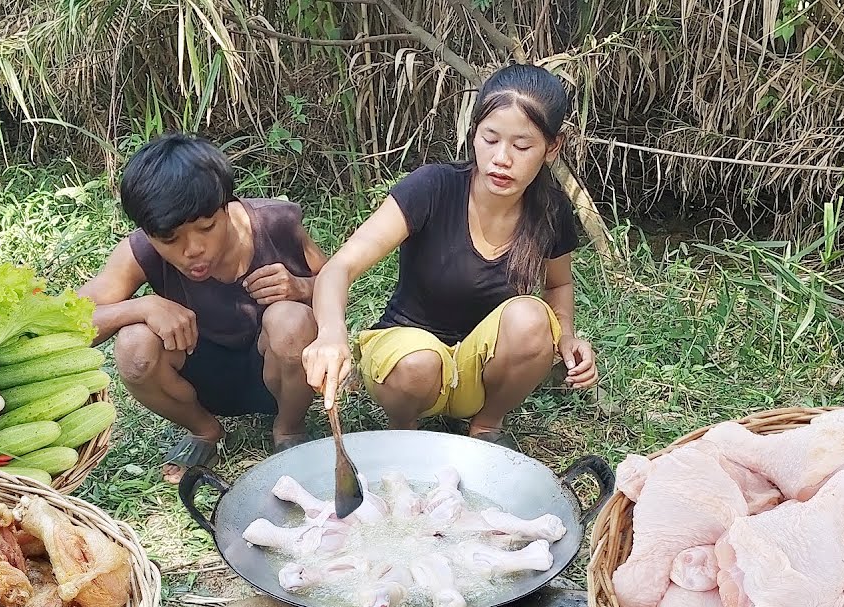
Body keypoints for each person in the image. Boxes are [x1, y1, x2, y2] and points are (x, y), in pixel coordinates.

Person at [301, 63, 598, 449]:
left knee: (531, 318)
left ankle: (487, 426)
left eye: (521, 146)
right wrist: (330, 334)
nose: (501, 158)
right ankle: (404, 433)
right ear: (473, 132)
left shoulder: (551, 211)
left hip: (479, 369)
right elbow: (339, 267)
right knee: (420, 363)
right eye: (489, 139)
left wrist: (568, 337)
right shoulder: (433, 187)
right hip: (408, 361)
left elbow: (559, 283)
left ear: (552, 147)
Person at [80, 134, 327, 482]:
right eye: (170, 239)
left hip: (280, 372)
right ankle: (204, 430)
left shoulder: (277, 224)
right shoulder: (138, 253)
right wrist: (142, 307)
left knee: (290, 319)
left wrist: (302, 286)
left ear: (227, 206)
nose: (192, 249)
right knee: (133, 343)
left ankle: (288, 430)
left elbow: (335, 283)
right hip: (200, 377)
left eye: (206, 228)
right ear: (148, 233)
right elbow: (72, 324)